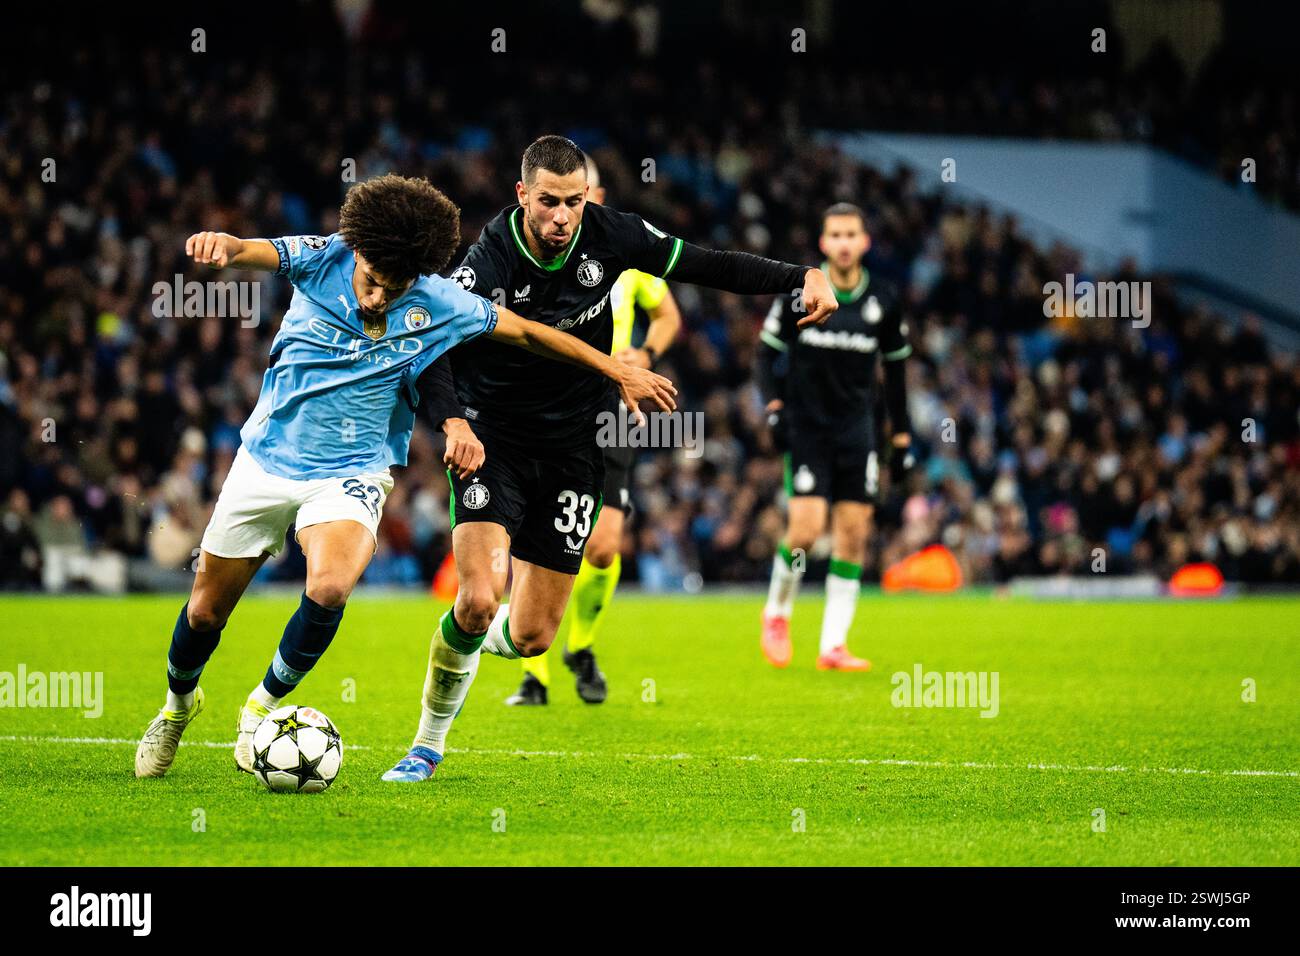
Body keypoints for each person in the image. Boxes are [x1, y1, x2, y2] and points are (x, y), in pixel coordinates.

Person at [133, 173, 674, 779]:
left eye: (394, 290)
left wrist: (615, 369)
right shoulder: (321, 257)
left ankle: (261, 706)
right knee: (206, 611)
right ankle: (177, 708)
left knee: (331, 585)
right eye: (371, 282)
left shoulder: (439, 300)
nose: (377, 299)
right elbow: (252, 250)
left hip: (351, 471)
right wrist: (223, 245)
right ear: (357, 249)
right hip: (264, 460)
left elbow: (528, 333)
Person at [383, 136, 837, 783]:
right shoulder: (488, 261)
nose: (562, 216)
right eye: (548, 202)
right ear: (522, 196)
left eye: (572, 201)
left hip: (576, 450)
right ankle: (426, 745)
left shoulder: (613, 235)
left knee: (534, 635)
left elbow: (710, 265)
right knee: (482, 598)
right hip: (496, 444)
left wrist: (799, 277)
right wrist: (452, 419)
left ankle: (462, 634)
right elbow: (433, 350)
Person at [506, 153, 682, 707]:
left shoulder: (626, 261)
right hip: (544, 409)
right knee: (532, 544)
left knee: (603, 547)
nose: (572, 209)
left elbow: (670, 315)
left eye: (583, 197)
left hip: (610, 407)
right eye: (554, 199)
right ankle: (536, 675)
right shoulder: (530, 260)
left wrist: (645, 351)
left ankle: (579, 647)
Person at [756, 203, 913, 671]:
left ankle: (833, 645)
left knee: (853, 534)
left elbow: (898, 371)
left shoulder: (882, 300)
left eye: (852, 235)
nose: (844, 243)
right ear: (824, 244)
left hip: (857, 430)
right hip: (807, 426)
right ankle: (777, 612)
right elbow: (764, 357)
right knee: (804, 530)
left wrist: (901, 436)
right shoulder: (800, 292)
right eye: (835, 235)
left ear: (864, 242)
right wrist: (774, 408)